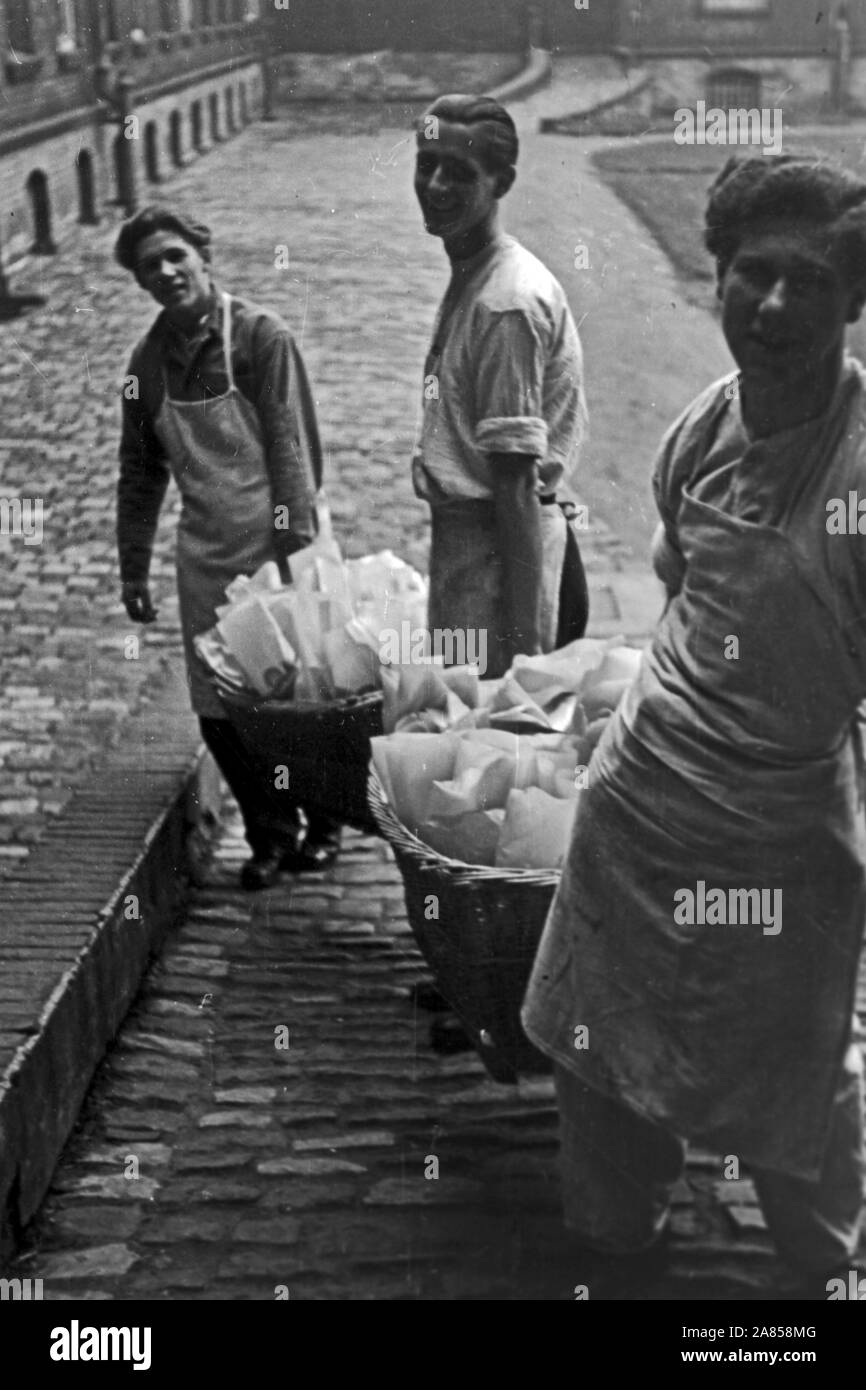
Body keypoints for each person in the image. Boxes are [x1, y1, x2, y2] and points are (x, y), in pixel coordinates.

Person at [523, 155, 866, 1298]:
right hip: (635, 813)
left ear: (853, 298)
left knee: (796, 1059)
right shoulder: (698, 430)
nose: (770, 307)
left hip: (777, 825)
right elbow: (682, 591)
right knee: (603, 1040)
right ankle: (619, 1236)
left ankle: (820, 1268)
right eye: (749, 274)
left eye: (808, 282)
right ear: (713, 275)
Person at [114, 205, 341, 890]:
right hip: (207, 557)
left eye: (175, 255)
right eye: (150, 265)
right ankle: (270, 835)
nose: (166, 271)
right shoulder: (146, 365)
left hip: (278, 542)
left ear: (202, 256)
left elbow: (291, 447)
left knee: (301, 700)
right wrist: (133, 565)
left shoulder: (261, 339)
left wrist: (295, 548)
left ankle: (325, 822)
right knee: (222, 714)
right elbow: (141, 472)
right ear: (142, 283)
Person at [412, 93, 589, 684]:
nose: (435, 184)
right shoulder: (475, 273)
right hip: (469, 560)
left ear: (502, 181)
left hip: (501, 574)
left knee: (496, 750)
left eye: (459, 172)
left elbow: (514, 483)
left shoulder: (505, 303)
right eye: (425, 162)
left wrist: (525, 656)